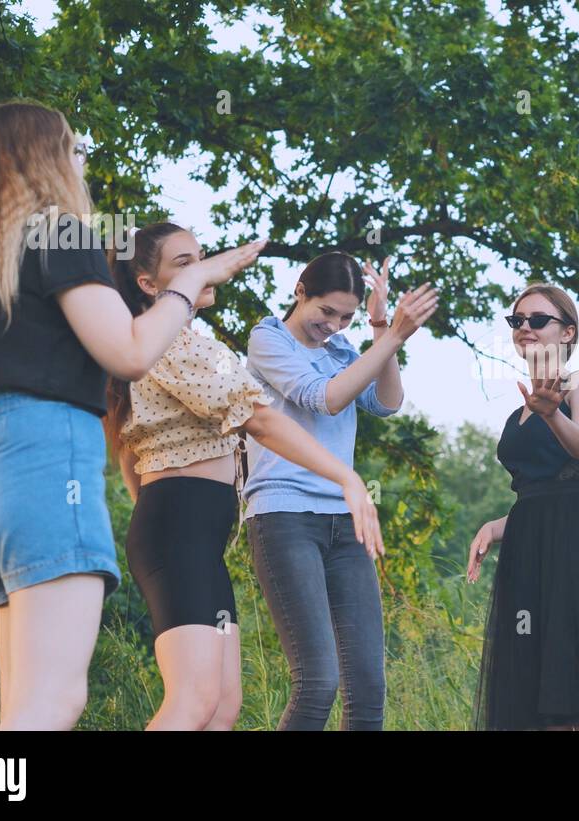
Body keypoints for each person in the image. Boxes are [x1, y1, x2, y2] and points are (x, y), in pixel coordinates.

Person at [0, 100, 265, 729]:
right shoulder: (64, 233)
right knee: (52, 703)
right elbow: (128, 351)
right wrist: (194, 282)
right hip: (49, 475)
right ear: (46, 158)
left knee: (25, 706)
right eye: (73, 148)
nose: (81, 162)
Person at [105, 223, 384, 730]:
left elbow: (129, 455)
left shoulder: (177, 343)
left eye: (202, 255)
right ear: (150, 285)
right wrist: (346, 477)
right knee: (194, 701)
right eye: (185, 263)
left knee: (221, 707)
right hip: (179, 528)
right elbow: (260, 418)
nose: (206, 266)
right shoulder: (170, 344)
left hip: (194, 533)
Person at [242, 252, 437, 730]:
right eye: (326, 311)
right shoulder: (268, 339)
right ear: (299, 292)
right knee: (318, 680)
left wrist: (378, 326)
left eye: (345, 316)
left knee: (368, 687)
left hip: (345, 525)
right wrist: (393, 336)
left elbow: (387, 402)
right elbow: (323, 399)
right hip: (284, 516)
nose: (332, 325)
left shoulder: (345, 350)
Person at [467, 283, 579, 730]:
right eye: (517, 321)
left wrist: (553, 414)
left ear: (568, 332)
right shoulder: (520, 411)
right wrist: (494, 527)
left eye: (537, 320)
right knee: (539, 700)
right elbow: (537, 496)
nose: (524, 328)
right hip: (532, 555)